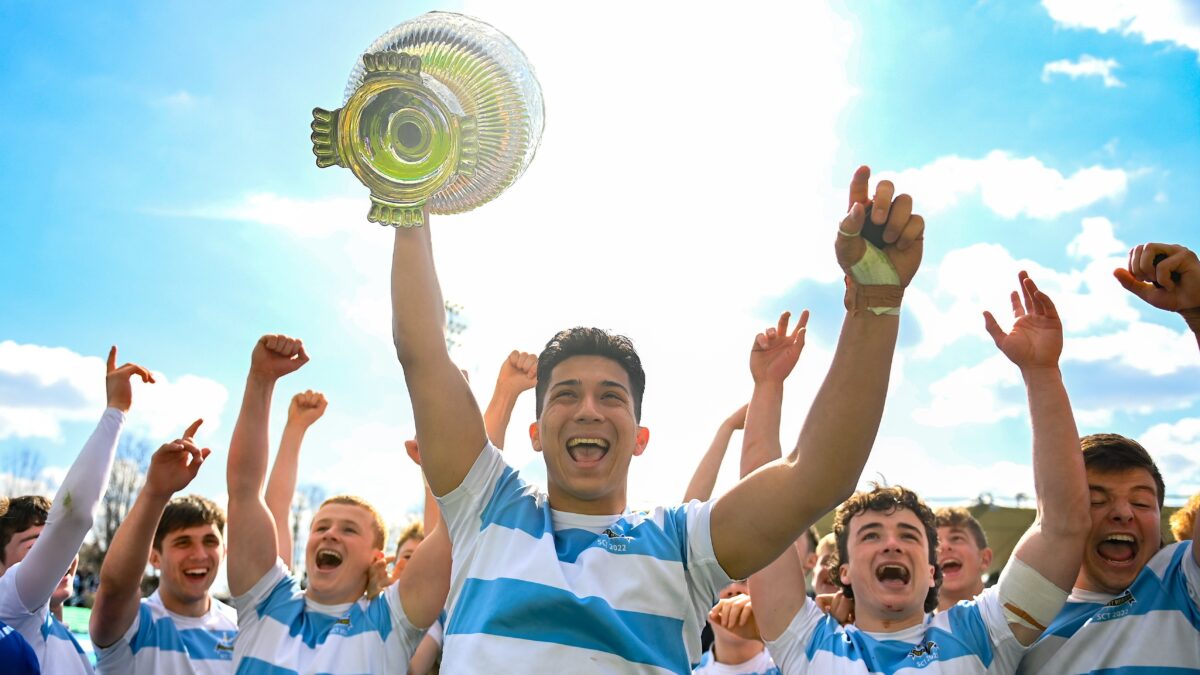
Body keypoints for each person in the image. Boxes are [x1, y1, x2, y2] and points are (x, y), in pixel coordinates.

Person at [390, 165, 924, 671]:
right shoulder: (484, 507)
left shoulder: (681, 543)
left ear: (640, 438)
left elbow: (817, 475)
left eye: (612, 397)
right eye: (566, 395)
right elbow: (423, 353)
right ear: (533, 433)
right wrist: (410, 196)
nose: (589, 411)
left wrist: (876, 304)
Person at [738, 273, 1090, 673]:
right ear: (845, 572)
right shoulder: (805, 642)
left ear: (931, 571)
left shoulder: (983, 633)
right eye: (871, 535)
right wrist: (767, 386)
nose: (892, 544)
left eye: (908, 535)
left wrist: (1041, 372)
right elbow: (759, 513)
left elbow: (1063, 526)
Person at [1019, 241, 1200, 674]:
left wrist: (1198, 318)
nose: (1122, 513)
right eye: (1096, 500)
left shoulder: (1182, 579)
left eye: (1141, 501)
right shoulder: (1010, 626)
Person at [224, 334, 449, 673]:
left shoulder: (391, 623)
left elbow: (447, 538)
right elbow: (244, 491)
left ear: (375, 557)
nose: (330, 535)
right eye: (321, 527)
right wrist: (261, 379)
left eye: (349, 529)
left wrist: (436, 458)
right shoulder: (265, 601)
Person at [0, 347, 153, 674]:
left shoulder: (72, 645)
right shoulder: (8, 607)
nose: (60, 556)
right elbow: (74, 517)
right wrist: (116, 410)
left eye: (58, 545)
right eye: (34, 544)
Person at [90, 419, 237, 674]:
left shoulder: (241, 628)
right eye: (183, 542)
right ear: (154, 558)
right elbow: (115, 589)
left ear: (224, 552)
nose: (199, 554)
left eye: (210, 541)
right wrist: (155, 492)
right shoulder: (134, 625)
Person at [933, 507, 992, 611]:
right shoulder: (911, 626)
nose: (944, 546)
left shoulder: (1014, 620)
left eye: (956, 538)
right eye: (935, 543)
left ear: (984, 559)